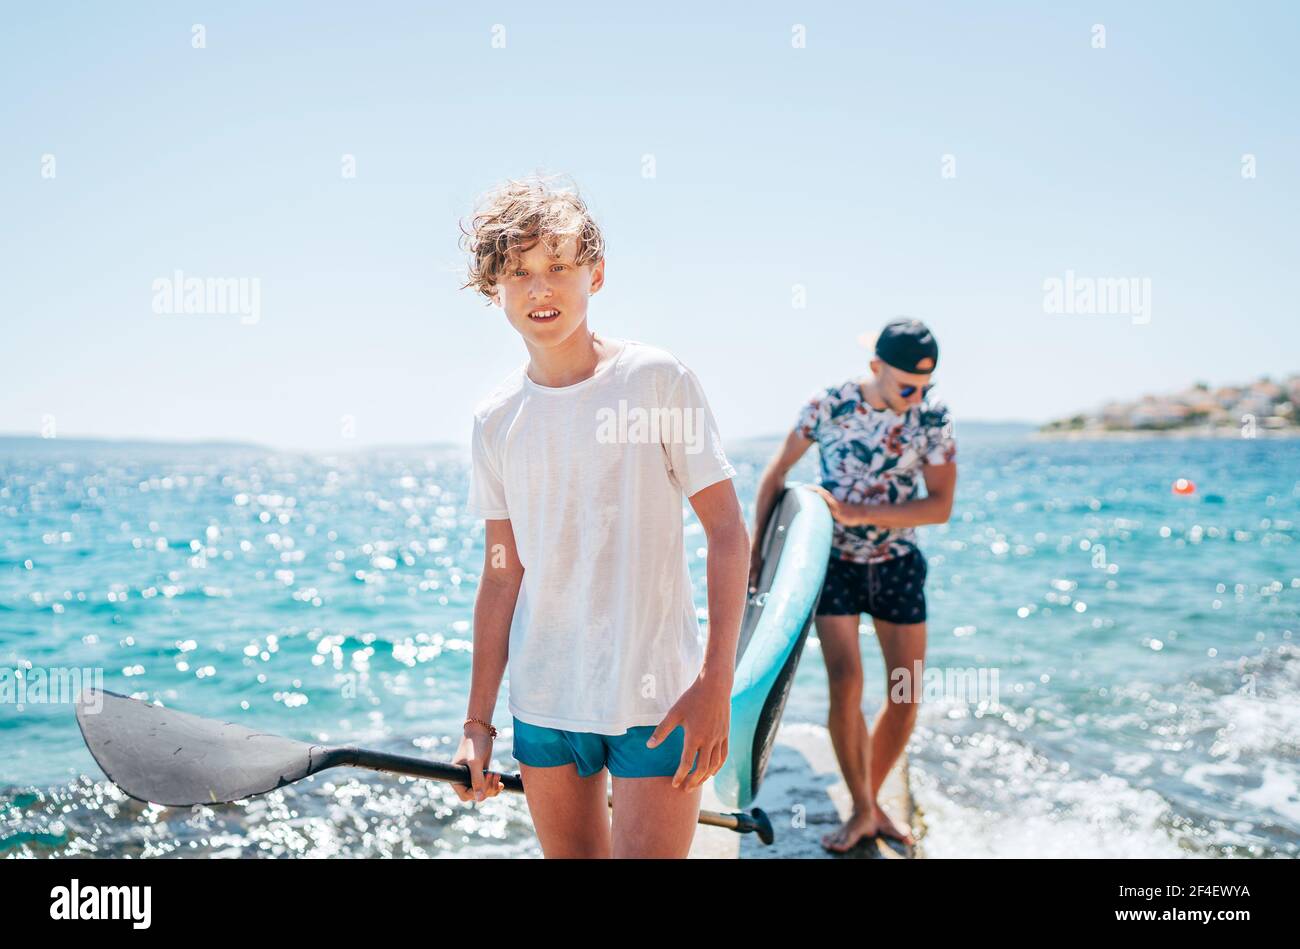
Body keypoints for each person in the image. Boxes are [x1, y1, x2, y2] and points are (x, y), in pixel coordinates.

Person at [451, 175, 749, 858]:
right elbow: (503, 575)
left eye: (558, 265)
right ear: (495, 288)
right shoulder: (496, 418)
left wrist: (714, 685)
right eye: (519, 272)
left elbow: (728, 531)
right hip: (546, 706)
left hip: (658, 702)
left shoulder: (656, 380)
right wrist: (478, 723)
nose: (540, 288)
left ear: (597, 273)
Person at [749, 318, 957, 853]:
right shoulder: (830, 404)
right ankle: (864, 809)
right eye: (905, 385)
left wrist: (861, 511)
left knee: (905, 693)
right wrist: (756, 555)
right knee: (846, 681)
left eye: (925, 386)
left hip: (897, 562)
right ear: (876, 368)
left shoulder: (933, 417)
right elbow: (775, 475)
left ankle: (869, 797)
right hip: (834, 562)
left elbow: (939, 505)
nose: (916, 397)